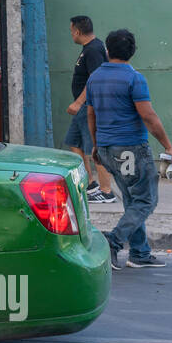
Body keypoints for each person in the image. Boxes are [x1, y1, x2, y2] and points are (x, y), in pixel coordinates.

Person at [86, 29, 172, 269]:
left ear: (108, 50)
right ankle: (114, 240)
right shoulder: (134, 78)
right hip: (130, 148)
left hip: (107, 149)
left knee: (132, 200)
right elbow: (148, 117)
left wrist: (97, 145)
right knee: (146, 200)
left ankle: (139, 253)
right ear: (133, 51)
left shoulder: (95, 77)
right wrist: (169, 147)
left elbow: (91, 115)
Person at [62, 15, 116, 204]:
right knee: (74, 143)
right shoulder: (91, 48)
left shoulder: (93, 50)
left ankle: (107, 191)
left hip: (88, 106)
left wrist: (78, 103)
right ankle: (90, 184)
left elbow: (95, 79)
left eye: (71, 31)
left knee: (95, 148)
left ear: (77, 31)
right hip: (83, 108)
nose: (71, 35)